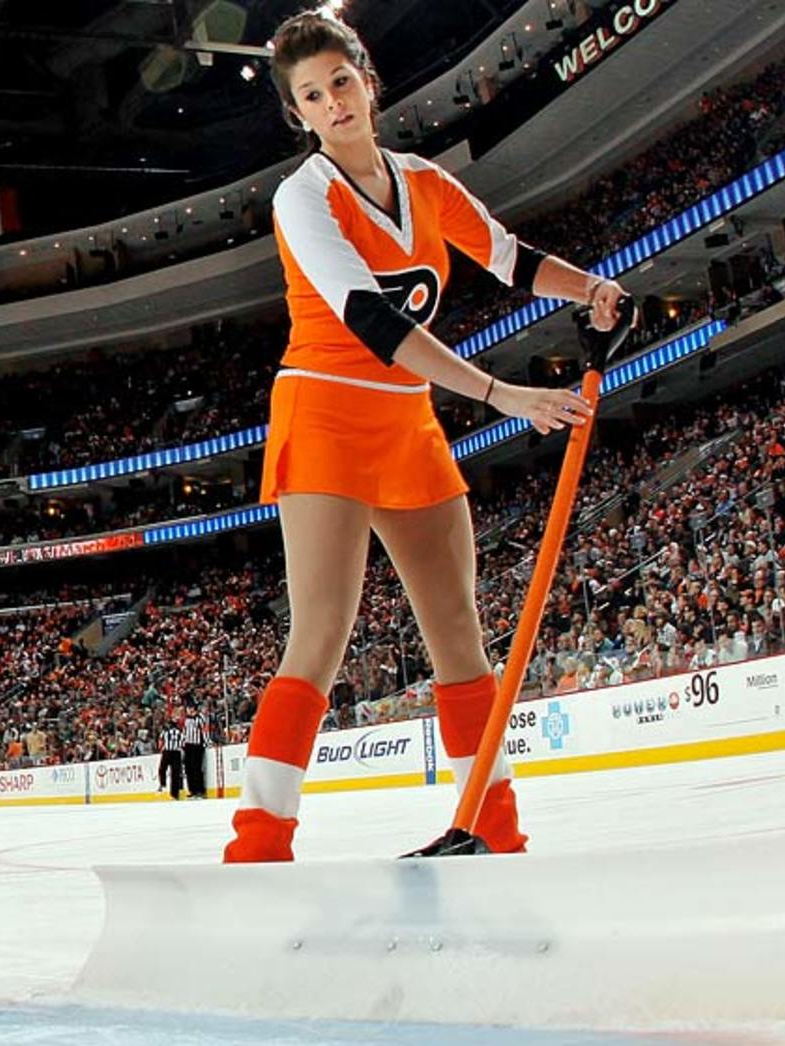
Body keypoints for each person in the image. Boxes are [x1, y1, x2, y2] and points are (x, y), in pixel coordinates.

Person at [224, 9, 629, 863]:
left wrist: (588, 286)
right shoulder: (302, 198)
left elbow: (510, 258)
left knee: (456, 629)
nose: (332, 102)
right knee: (323, 630)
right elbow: (371, 319)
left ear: (367, 82)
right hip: (327, 408)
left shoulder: (425, 183)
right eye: (311, 96)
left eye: (340, 82)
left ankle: (493, 824)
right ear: (298, 116)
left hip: (406, 415)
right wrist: (498, 394)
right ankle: (258, 846)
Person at [182, 704, 209, 799]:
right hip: (188, 746)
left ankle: (200, 791)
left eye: (189, 708)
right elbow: (184, 732)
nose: (188, 710)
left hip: (197, 745)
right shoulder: (186, 720)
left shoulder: (199, 718)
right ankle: (192, 790)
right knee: (188, 769)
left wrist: (206, 742)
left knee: (196, 768)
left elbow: (204, 730)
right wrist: (182, 743)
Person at [158, 719, 184, 801]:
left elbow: (160, 741)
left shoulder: (165, 732)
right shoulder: (180, 732)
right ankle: (175, 794)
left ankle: (163, 783)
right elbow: (183, 742)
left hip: (167, 752)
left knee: (162, 769)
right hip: (176, 753)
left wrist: (161, 748)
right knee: (175, 774)